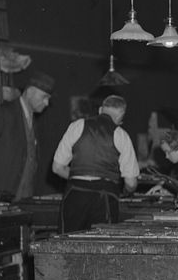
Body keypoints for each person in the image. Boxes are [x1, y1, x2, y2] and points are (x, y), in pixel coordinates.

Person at [51, 94, 140, 233]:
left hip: (75, 194)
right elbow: (131, 182)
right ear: (121, 117)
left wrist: (78, 176)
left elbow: (57, 168)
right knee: (101, 248)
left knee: (67, 245)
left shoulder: (77, 125)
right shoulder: (121, 135)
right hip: (105, 197)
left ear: (100, 110)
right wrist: (126, 192)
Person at [0, 71, 55, 199]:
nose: (47, 103)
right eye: (44, 97)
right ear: (30, 91)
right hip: (1, 196)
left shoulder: (33, 122)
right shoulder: (2, 113)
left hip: (25, 197)